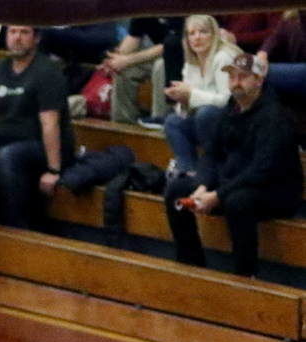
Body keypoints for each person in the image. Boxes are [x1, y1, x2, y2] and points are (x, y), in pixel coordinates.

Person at [163, 52, 302, 278]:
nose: (236, 82)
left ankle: (245, 275)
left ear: (258, 80)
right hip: (233, 183)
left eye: (243, 77)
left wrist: (218, 194)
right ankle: (191, 265)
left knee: (237, 202)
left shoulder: (275, 117)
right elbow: (211, 154)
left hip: (275, 191)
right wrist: (202, 186)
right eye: (231, 77)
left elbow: (262, 170)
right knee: (177, 192)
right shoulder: (229, 110)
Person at [0, 24, 76, 230]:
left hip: (43, 147)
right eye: (12, 32)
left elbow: (50, 124)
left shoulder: (47, 72)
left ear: (36, 38)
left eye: (24, 32)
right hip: (8, 140)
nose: (17, 38)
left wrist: (53, 169)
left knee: (9, 155)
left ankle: (18, 227)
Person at [161, 16, 239, 176]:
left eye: (203, 32)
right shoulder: (192, 61)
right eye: (191, 33)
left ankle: (214, 166)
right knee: (172, 122)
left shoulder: (224, 57)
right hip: (205, 122)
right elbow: (190, 102)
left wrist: (190, 94)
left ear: (214, 34)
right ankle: (187, 171)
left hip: (234, 122)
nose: (196, 37)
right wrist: (181, 100)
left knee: (206, 113)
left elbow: (228, 99)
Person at [102, 17, 185, 125]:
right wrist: (115, 59)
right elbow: (133, 37)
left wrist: (127, 60)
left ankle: (158, 120)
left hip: (183, 55)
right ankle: (123, 124)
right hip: (155, 55)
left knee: (160, 67)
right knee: (123, 69)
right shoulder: (144, 5)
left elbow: (171, 45)